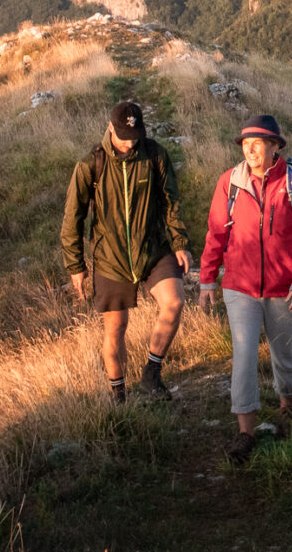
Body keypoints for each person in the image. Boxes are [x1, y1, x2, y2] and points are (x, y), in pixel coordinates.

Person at [198, 114, 292, 464]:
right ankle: (245, 432)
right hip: (239, 285)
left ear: (274, 147)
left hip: (285, 287)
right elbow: (215, 233)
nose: (250, 150)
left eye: (258, 144)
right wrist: (207, 278)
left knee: (285, 352)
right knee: (243, 353)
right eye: (245, 144)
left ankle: (287, 405)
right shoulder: (230, 183)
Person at [60, 101, 193, 403]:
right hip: (111, 259)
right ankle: (119, 398)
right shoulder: (90, 164)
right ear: (110, 128)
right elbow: (73, 217)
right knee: (115, 329)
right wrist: (76, 265)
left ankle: (151, 375)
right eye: (122, 135)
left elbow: (172, 202)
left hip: (153, 248)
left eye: (133, 135)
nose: (129, 141)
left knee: (174, 302)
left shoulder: (155, 154)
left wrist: (180, 242)